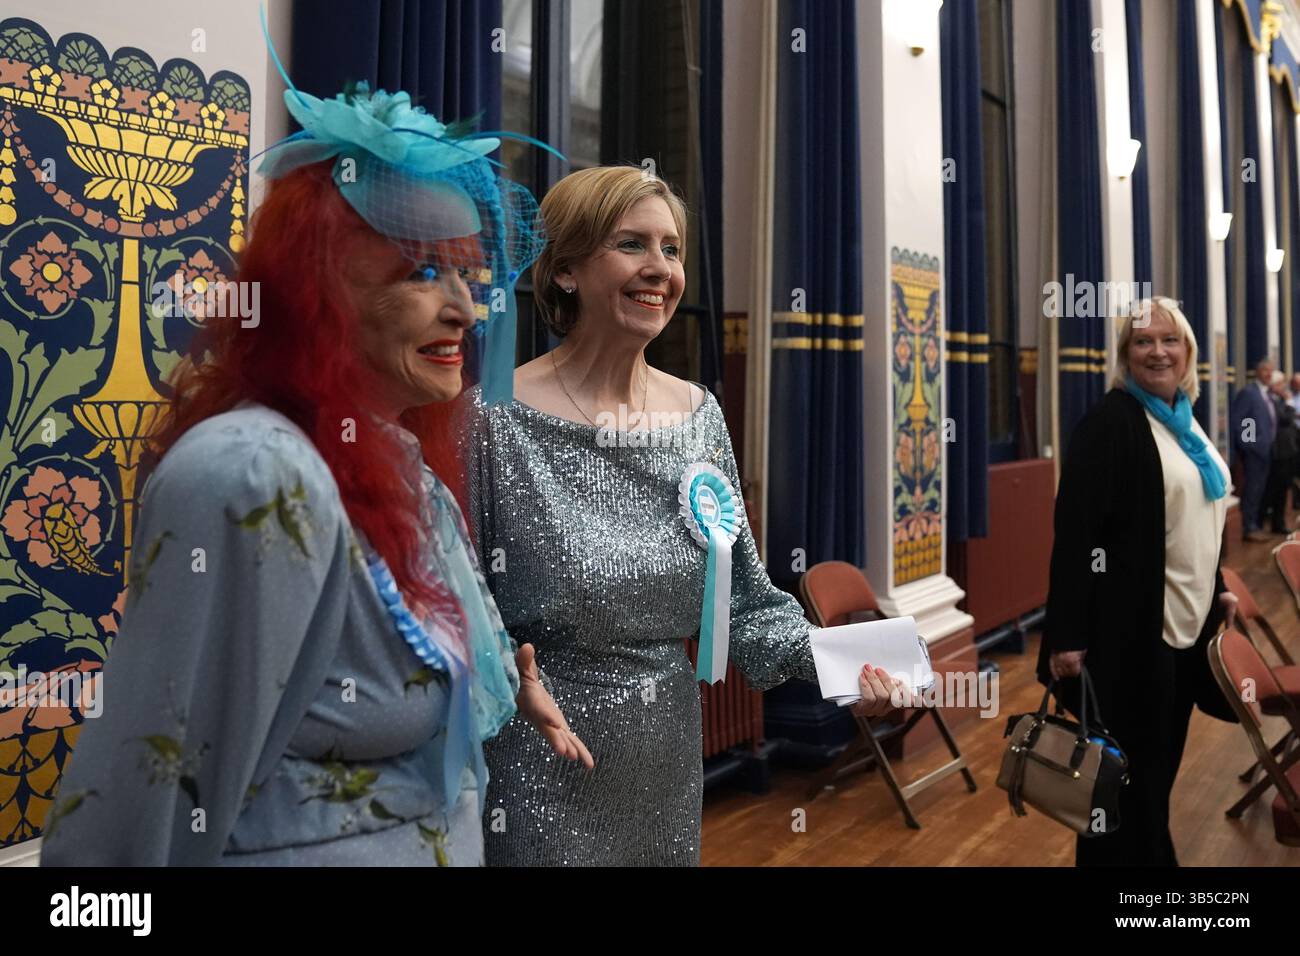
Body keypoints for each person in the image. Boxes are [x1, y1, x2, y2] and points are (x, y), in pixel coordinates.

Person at [39, 81, 590, 866]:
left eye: (467, 276)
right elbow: (152, 785)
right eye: (422, 273)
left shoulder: (401, 466)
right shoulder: (254, 475)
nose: (466, 310)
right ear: (317, 294)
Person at [462, 164, 905, 866]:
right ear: (568, 270)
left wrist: (844, 668)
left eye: (671, 249)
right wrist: (504, 677)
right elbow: (456, 611)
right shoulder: (494, 421)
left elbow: (749, 609)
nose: (659, 269)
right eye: (632, 244)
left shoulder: (700, 416)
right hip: (539, 762)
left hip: (665, 761)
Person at [1040, 297, 1239, 867]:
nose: (1158, 351)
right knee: (1125, 785)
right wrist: (1068, 636)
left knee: (1151, 779)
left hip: (1181, 631)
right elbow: (1076, 537)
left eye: (1169, 340)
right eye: (1143, 341)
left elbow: (1191, 520)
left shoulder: (1183, 423)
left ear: (1188, 352)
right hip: (1127, 638)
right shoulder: (1112, 423)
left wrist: (1218, 582)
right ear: (1125, 355)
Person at [1230, 357, 1277, 542]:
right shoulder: (1249, 393)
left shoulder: (1266, 394)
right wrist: (1250, 445)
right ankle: (1248, 527)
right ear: (1257, 372)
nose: (1268, 374)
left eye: (1270, 371)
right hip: (1255, 452)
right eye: (1265, 370)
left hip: (1266, 450)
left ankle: (1254, 524)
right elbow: (1242, 421)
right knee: (1252, 489)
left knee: (1259, 490)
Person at [1262, 370, 1297, 534]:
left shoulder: (1277, 399)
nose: (1284, 387)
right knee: (1276, 490)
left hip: (1287, 450)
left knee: (1283, 488)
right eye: (1281, 383)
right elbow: (1285, 419)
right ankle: (1274, 522)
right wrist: (1290, 402)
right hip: (1279, 452)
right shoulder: (1272, 400)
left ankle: (1278, 521)